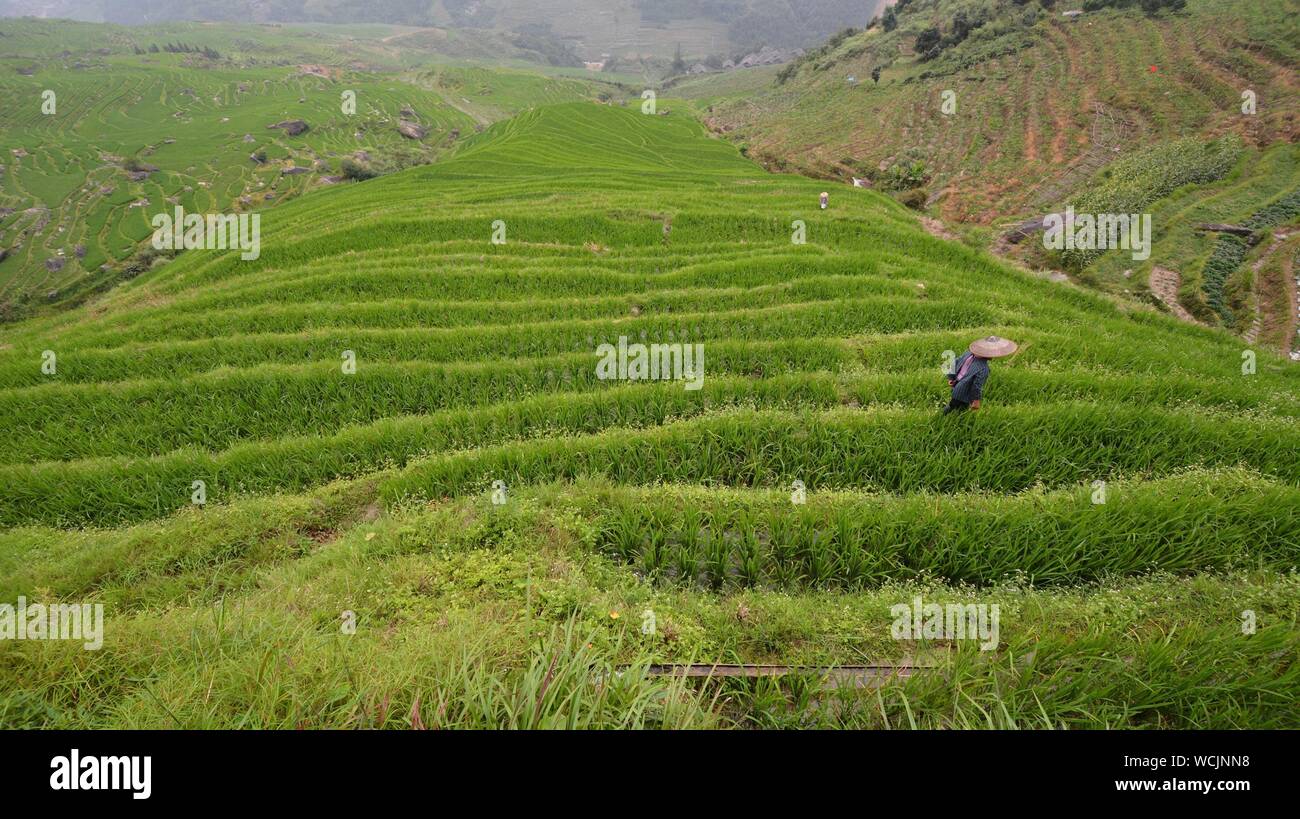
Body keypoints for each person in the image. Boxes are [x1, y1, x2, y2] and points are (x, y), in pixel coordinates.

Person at [944, 336, 1018, 414]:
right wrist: (976, 400)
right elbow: (976, 386)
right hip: (963, 391)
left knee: (958, 405)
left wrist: (951, 377)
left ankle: (955, 415)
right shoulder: (983, 368)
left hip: (957, 382)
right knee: (954, 406)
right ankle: (943, 415)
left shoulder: (968, 353)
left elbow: (955, 362)